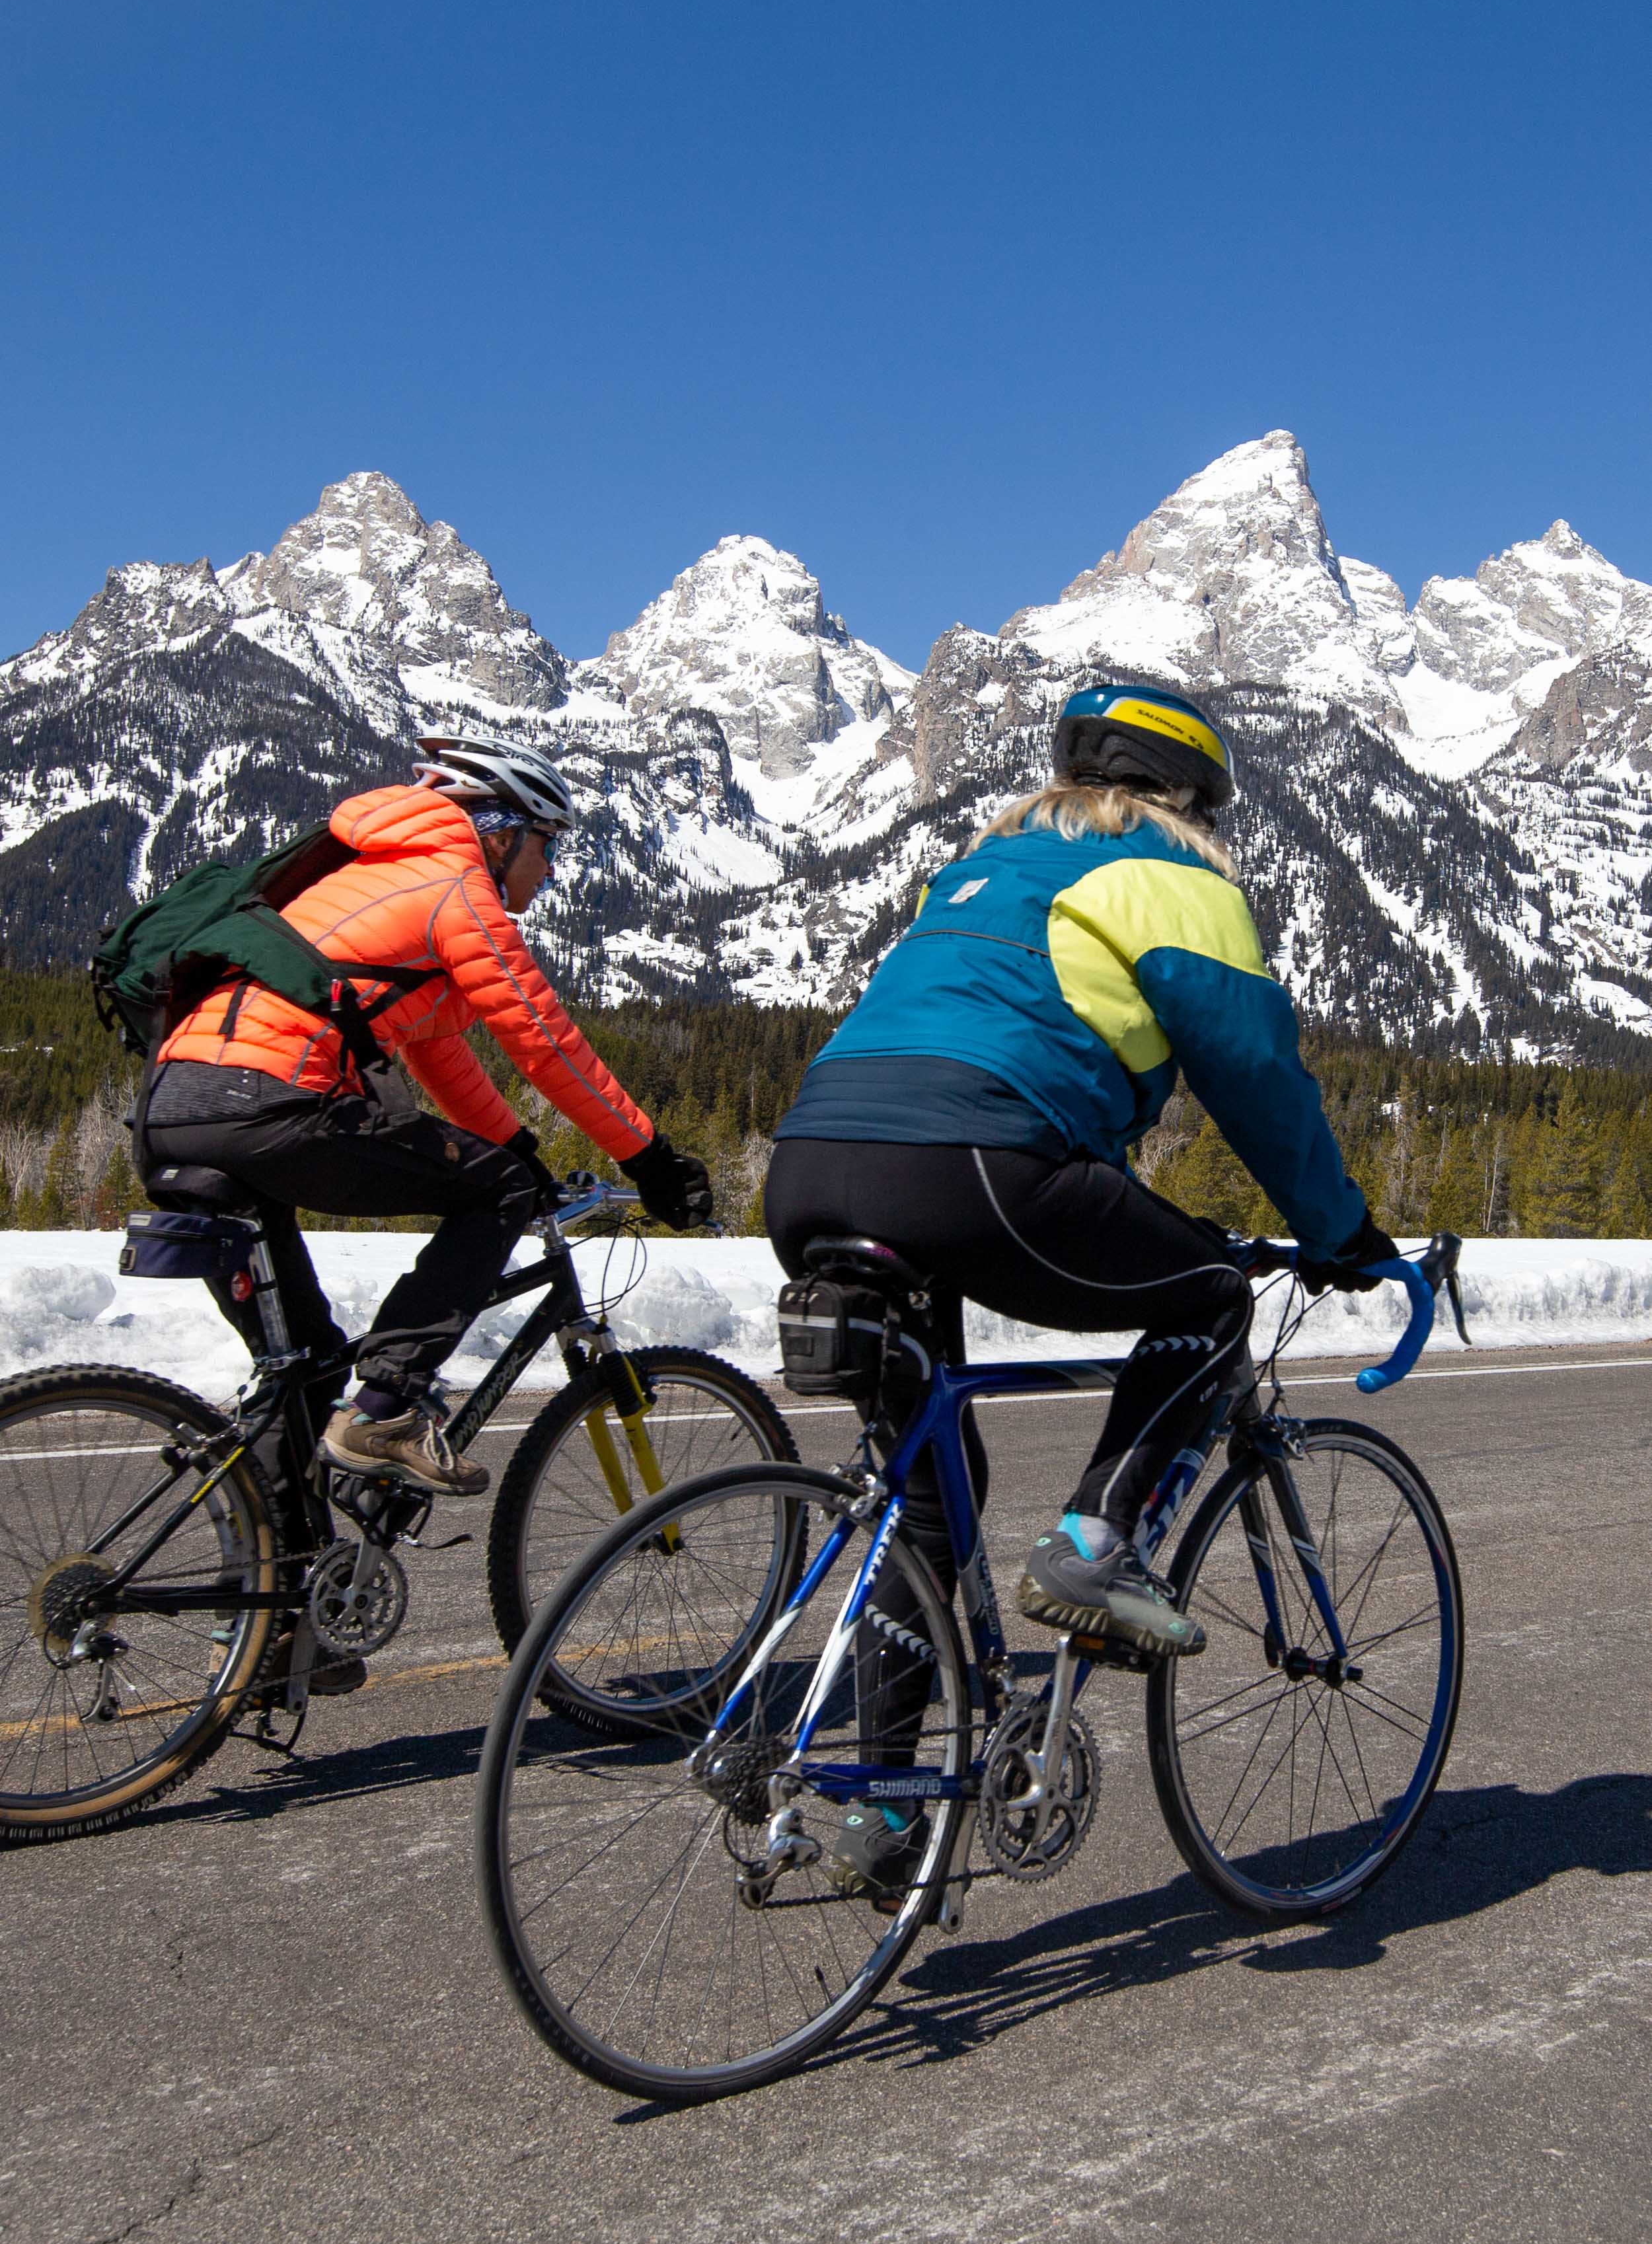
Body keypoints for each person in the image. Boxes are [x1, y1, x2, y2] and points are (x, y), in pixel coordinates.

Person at [765, 683, 1392, 1899]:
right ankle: (1096, 1547)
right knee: (1209, 1293)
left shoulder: (987, 864)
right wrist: (1343, 1230)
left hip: (809, 1168)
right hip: (976, 1166)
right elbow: (1258, 1076)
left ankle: (882, 1804)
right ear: (1197, 803)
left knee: (927, 1492)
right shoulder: (1178, 880)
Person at [145, 732, 712, 1508]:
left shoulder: (374, 881)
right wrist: (648, 1158)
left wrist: (517, 1146)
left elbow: (440, 1051)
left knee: (305, 1365)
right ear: (500, 832)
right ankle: (387, 1408)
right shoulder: (454, 886)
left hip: (173, 1110)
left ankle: (274, 1597)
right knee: (498, 1194)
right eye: (546, 845)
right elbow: (544, 1042)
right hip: (271, 1104)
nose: (548, 869)